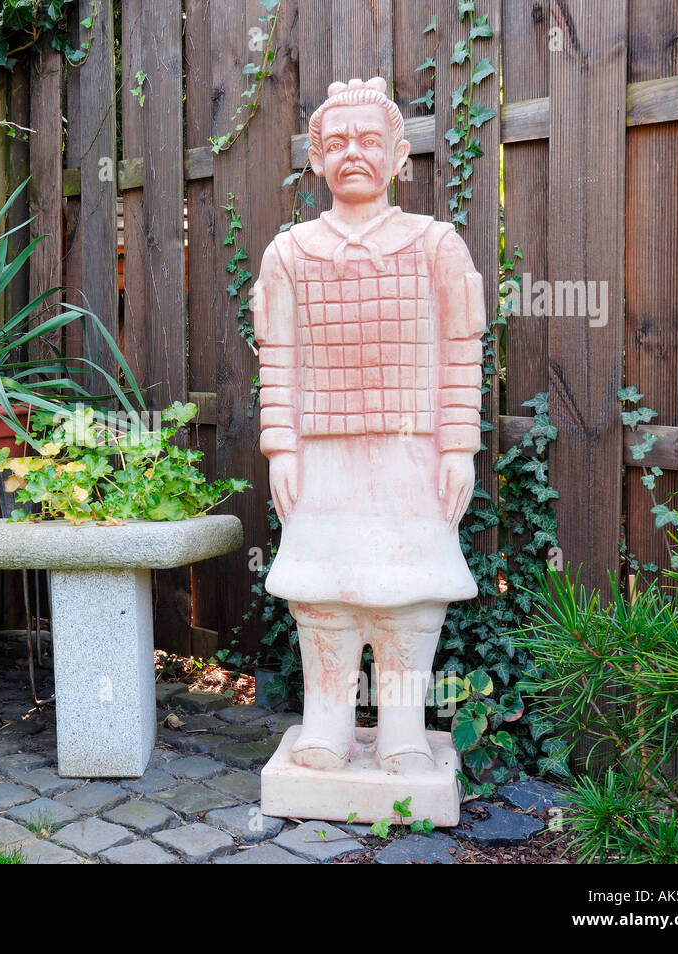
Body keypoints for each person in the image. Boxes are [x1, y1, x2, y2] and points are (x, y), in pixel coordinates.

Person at [252, 76, 485, 774]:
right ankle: (326, 725)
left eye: (369, 140)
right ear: (317, 158)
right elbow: (279, 357)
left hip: (412, 454)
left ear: (398, 154)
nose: (354, 152)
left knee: (410, 594)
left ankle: (403, 729)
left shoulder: (436, 246)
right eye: (338, 142)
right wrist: (280, 446)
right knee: (322, 592)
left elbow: (461, 349)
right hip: (322, 457)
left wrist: (458, 446)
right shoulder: (289, 255)